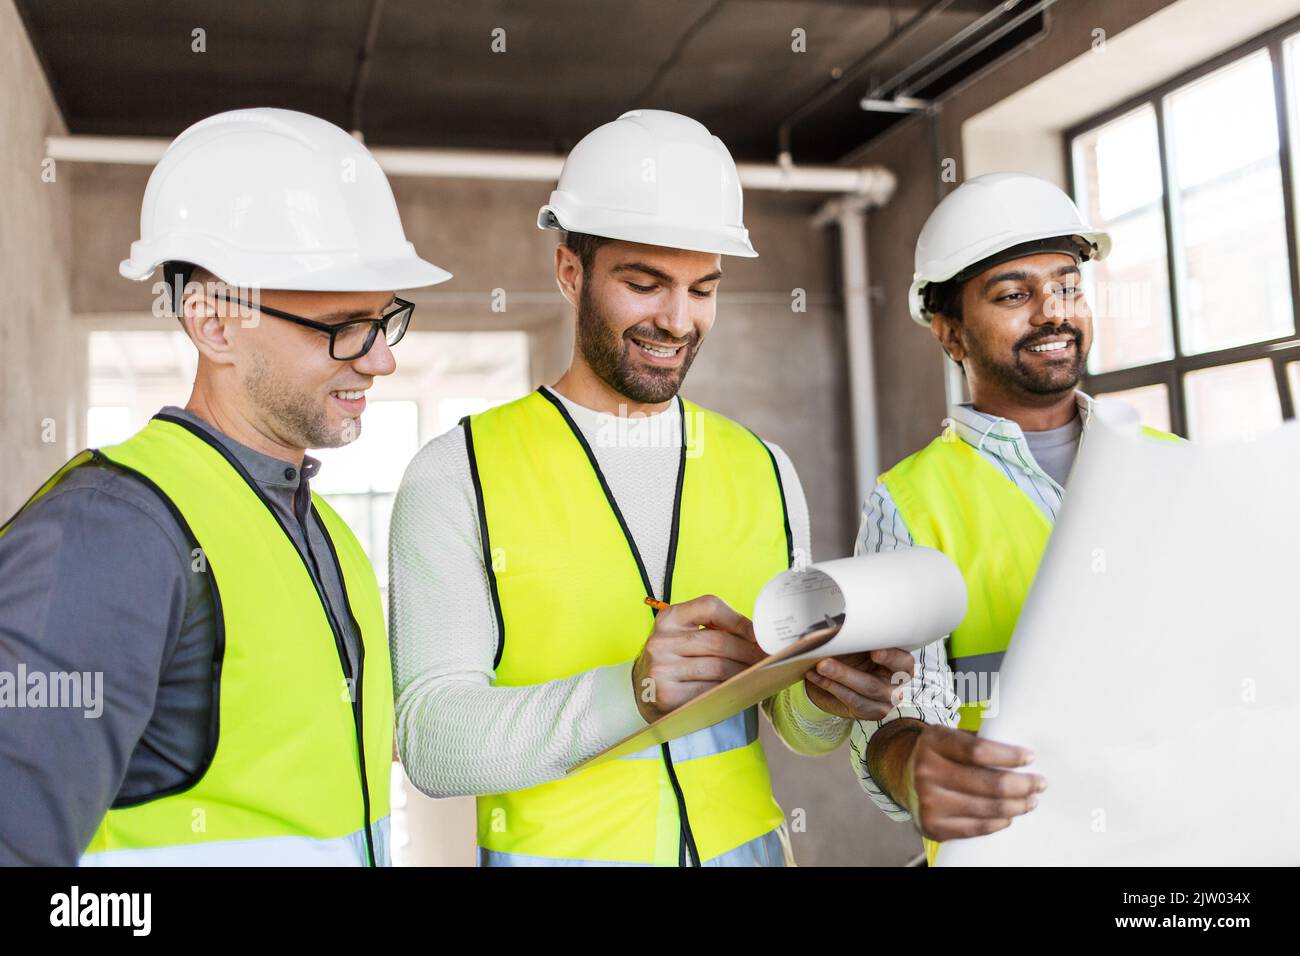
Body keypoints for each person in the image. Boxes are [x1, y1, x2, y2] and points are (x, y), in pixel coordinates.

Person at [389, 109, 912, 866]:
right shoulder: (457, 473)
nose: (677, 319)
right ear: (570, 272)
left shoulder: (762, 467)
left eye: (704, 288)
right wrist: (626, 692)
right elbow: (432, 742)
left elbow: (793, 723)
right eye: (644, 283)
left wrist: (830, 692)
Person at [0, 107, 451, 865]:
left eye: (385, 322)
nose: (381, 362)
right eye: (343, 327)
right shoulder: (110, 534)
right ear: (213, 323)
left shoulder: (325, 535)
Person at [848, 172, 1177, 864]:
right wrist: (909, 765)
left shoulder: (1171, 465)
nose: (1053, 312)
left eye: (1067, 285)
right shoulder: (909, 503)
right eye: (1013, 294)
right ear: (951, 333)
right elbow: (886, 720)